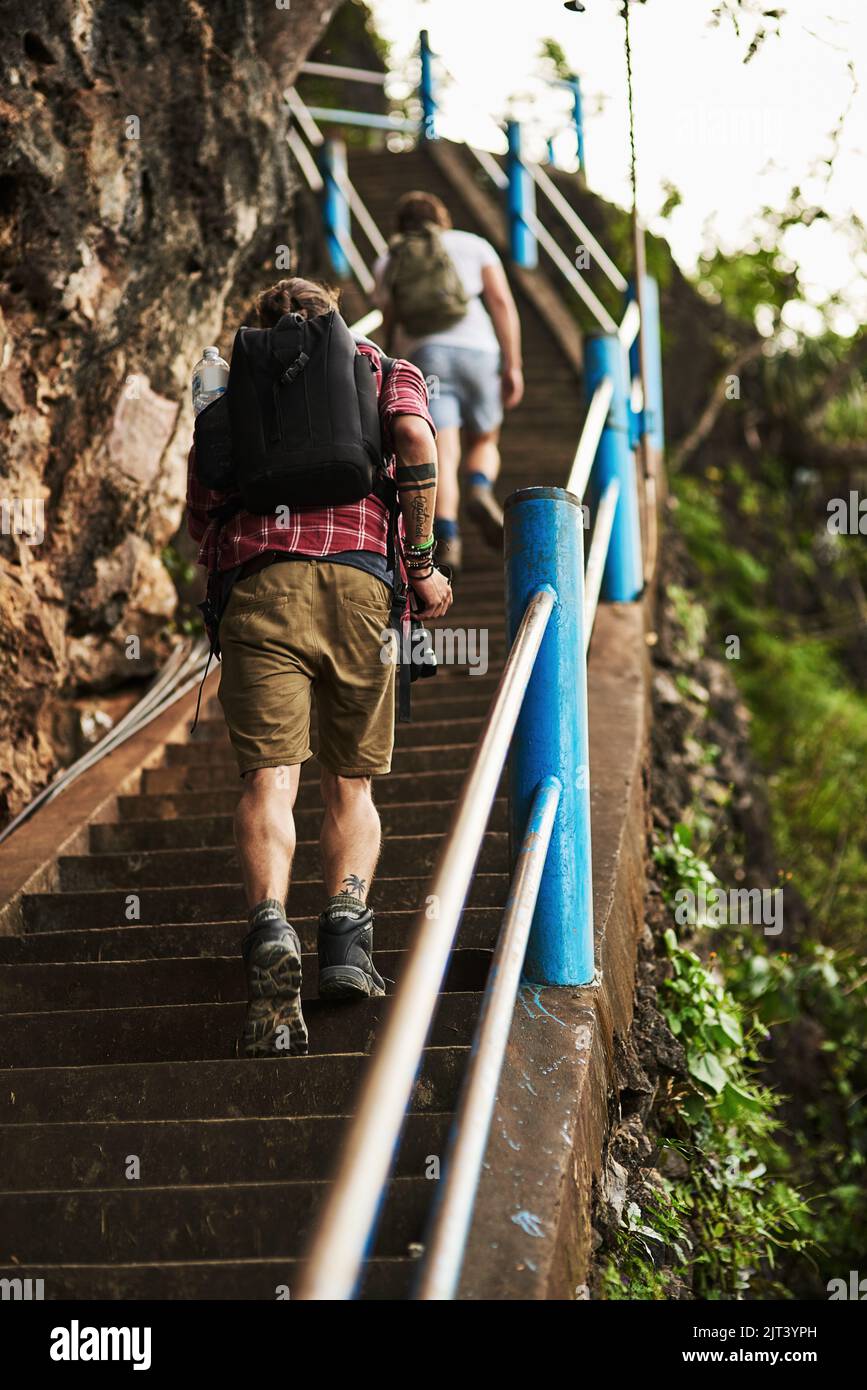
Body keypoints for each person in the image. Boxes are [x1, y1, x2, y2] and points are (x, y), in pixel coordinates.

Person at [186, 277, 452, 1059]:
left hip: (258, 585)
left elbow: (202, 500)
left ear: (258, 326)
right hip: (361, 585)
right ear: (333, 314)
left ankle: (271, 925)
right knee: (351, 781)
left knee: (270, 778)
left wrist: (222, 554)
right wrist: (424, 561)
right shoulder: (378, 362)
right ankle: (346, 938)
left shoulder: (230, 379)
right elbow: (414, 443)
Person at [374, 190, 524, 576]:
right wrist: (513, 365)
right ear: (443, 218)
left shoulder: (390, 258)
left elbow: (388, 322)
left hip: (426, 358)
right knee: (485, 439)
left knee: (441, 450)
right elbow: (502, 304)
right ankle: (478, 487)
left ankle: (448, 538)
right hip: (478, 351)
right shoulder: (473, 245)